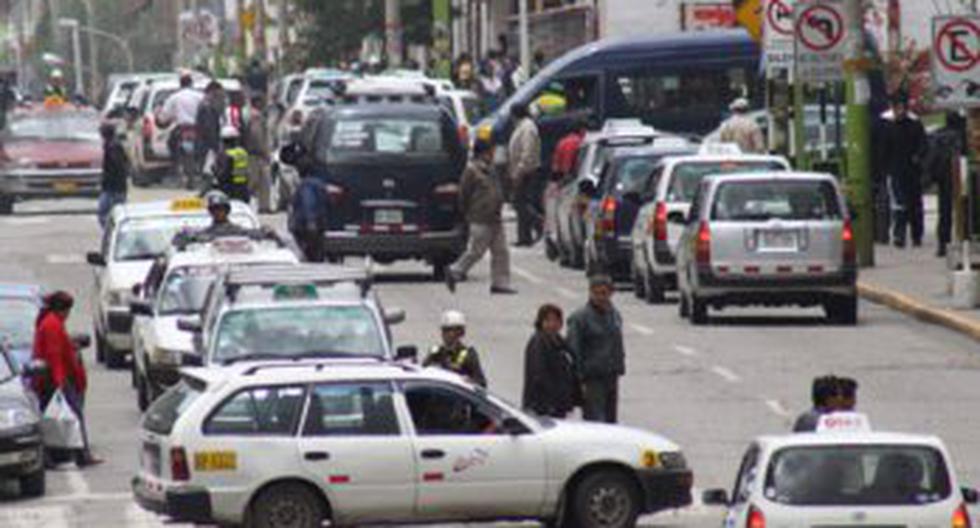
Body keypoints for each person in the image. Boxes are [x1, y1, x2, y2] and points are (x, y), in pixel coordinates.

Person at [31, 292, 102, 467]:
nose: (68, 315)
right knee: (74, 415)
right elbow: (54, 356)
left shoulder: (51, 323)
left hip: (51, 379)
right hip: (55, 380)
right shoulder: (52, 325)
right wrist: (60, 382)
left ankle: (59, 455)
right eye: (68, 310)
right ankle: (81, 455)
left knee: (51, 417)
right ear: (61, 310)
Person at [445, 139, 516, 295]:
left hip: (495, 217)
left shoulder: (492, 169)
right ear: (483, 153)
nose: (492, 155)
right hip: (480, 217)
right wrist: (467, 213)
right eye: (490, 152)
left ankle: (500, 283)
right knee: (476, 250)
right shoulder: (471, 170)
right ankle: (455, 270)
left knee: (501, 251)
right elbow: (464, 194)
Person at [566, 274, 625, 423]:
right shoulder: (580, 318)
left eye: (604, 293)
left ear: (611, 293)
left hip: (611, 375)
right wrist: (579, 380)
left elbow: (617, 344)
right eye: (596, 293)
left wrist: (619, 366)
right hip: (592, 379)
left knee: (610, 422)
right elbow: (573, 351)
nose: (600, 297)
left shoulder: (614, 315)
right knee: (596, 421)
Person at [882, 93, 928, 248]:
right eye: (897, 108)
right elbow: (882, 149)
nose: (900, 111)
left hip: (912, 171)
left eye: (903, 108)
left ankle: (917, 235)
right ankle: (899, 235)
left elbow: (923, 144)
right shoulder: (887, 124)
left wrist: (918, 156)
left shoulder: (914, 124)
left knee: (915, 205)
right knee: (899, 204)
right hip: (895, 171)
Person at [522, 304, 577, 418]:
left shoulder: (559, 341)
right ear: (540, 322)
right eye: (548, 320)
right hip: (543, 406)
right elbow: (538, 375)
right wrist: (549, 404)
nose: (552, 324)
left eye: (556, 320)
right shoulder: (538, 342)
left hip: (558, 404)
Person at [508, 102, 542, 246]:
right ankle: (524, 237)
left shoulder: (527, 128)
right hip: (520, 169)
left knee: (521, 203)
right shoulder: (521, 126)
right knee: (519, 203)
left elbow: (528, 151)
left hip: (526, 171)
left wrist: (519, 171)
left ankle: (539, 222)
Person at [423, 310, 487, 387]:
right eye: (444, 330)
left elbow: (481, 383)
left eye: (450, 330)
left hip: (456, 393)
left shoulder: (468, 354)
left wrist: (469, 381)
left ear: (460, 332)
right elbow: (422, 372)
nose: (446, 334)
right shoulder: (435, 351)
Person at [96, 123, 130, 228]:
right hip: (117, 187)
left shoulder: (112, 147)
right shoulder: (114, 145)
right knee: (115, 214)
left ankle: (111, 232)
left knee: (104, 213)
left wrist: (107, 180)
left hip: (113, 189)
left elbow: (117, 167)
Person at [244, 94, 272, 212]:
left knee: (261, 181)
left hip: (254, 153)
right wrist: (263, 151)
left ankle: (263, 206)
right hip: (257, 154)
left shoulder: (250, 114)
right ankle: (261, 205)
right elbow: (256, 135)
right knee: (258, 181)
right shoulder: (256, 116)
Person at [196, 81, 227, 175]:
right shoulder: (207, 107)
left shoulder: (208, 106)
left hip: (206, 141)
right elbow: (209, 128)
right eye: (221, 96)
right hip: (207, 142)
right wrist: (215, 145)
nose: (223, 100)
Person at [213, 126, 251, 203]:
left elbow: (223, 175)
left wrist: (215, 170)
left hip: (230, 190)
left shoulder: (226, 155)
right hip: (243, 189)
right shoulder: (243, 152)